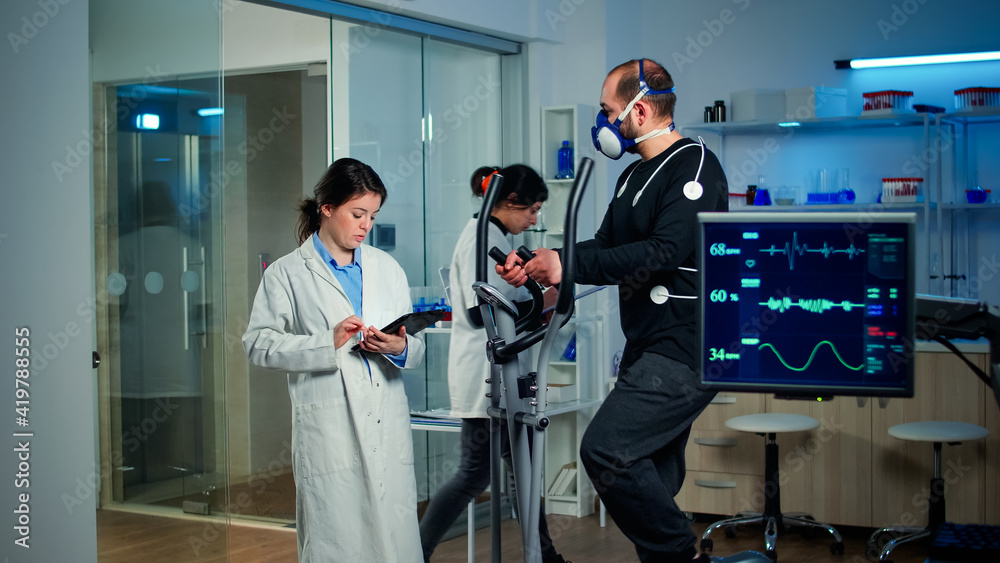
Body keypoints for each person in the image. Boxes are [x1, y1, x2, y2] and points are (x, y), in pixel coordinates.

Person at [498, 59, 729, 562]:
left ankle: (683, 556)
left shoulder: (695, 166)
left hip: (687, 345)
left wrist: (567, 263)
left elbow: (663, 252)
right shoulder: (631, 177)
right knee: (657, 479)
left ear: (639, 110)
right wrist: (543, 267)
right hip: (647, 345)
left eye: (607, 110)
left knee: (605, 451)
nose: (602, 123)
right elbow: (604, 246)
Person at [242, 158, 425, 563]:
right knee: (339, 540)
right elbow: (257, 344)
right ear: (327, 208)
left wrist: (399, 348)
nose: (365, 226)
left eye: (373, 216)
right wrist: (327, 343)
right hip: (330, 428)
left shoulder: (387, 269)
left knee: (395, 542)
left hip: (385, 419)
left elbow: (414, 346)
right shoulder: (287, 274)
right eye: (357, 214)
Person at [418, 164, 570, 563]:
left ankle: (546, 556)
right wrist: (545, 302)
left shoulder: (495, 234)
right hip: (484, 376)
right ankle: (414, 551)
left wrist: (539, 301)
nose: (535, 219)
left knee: (525, 471)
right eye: (533, 209)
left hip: (504, 375)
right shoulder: (481, 236)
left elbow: (503, 303)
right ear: (510, 202)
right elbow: (477, 312)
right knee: (475, 474)